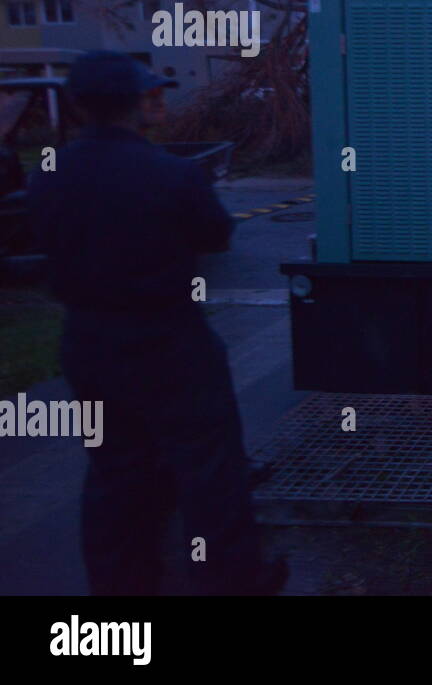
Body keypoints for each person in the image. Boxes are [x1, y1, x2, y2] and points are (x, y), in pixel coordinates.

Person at [26, 50, 285, 596]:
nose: (160, 99)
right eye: (153, 92)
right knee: (210, 472)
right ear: (138, 102)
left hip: (89, 345)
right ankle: (232, 581)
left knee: (114, 473)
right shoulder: (171, 174)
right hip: (169, 343)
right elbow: (215, 235)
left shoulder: (49, 176)